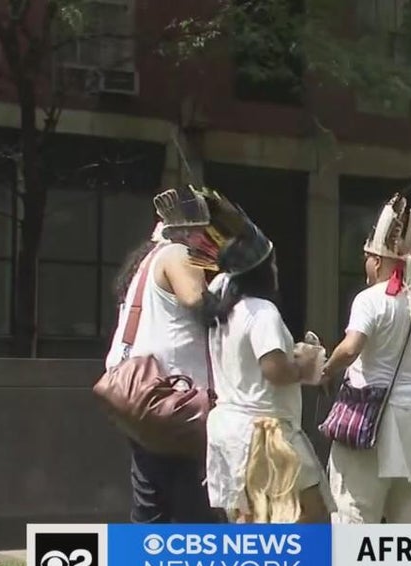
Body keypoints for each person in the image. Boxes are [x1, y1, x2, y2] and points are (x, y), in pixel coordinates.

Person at [160, 185, 332, 524]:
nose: (277, 271)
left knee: (249, 519)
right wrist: (303, 364)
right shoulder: (262, 312)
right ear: (263, 271)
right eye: (273, 264)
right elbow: (274, 370)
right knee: (310, 517)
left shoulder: (222, 301)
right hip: (265, 433)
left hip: (229, 429)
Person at [322, 195, 411, 524]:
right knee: (408, 521)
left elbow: (351, 348)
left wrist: (326, 369)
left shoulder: (369, 299)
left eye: (368, 257)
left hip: (370, 419)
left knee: (355, 512)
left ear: (378, 262)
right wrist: (408, 358)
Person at [104, 199, 221, 524]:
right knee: (193, 508)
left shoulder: (148, 260)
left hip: (141, 394)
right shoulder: (177, 254)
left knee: (150, 500)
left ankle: (142, 554)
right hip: (174, 399)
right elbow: (197, 301)